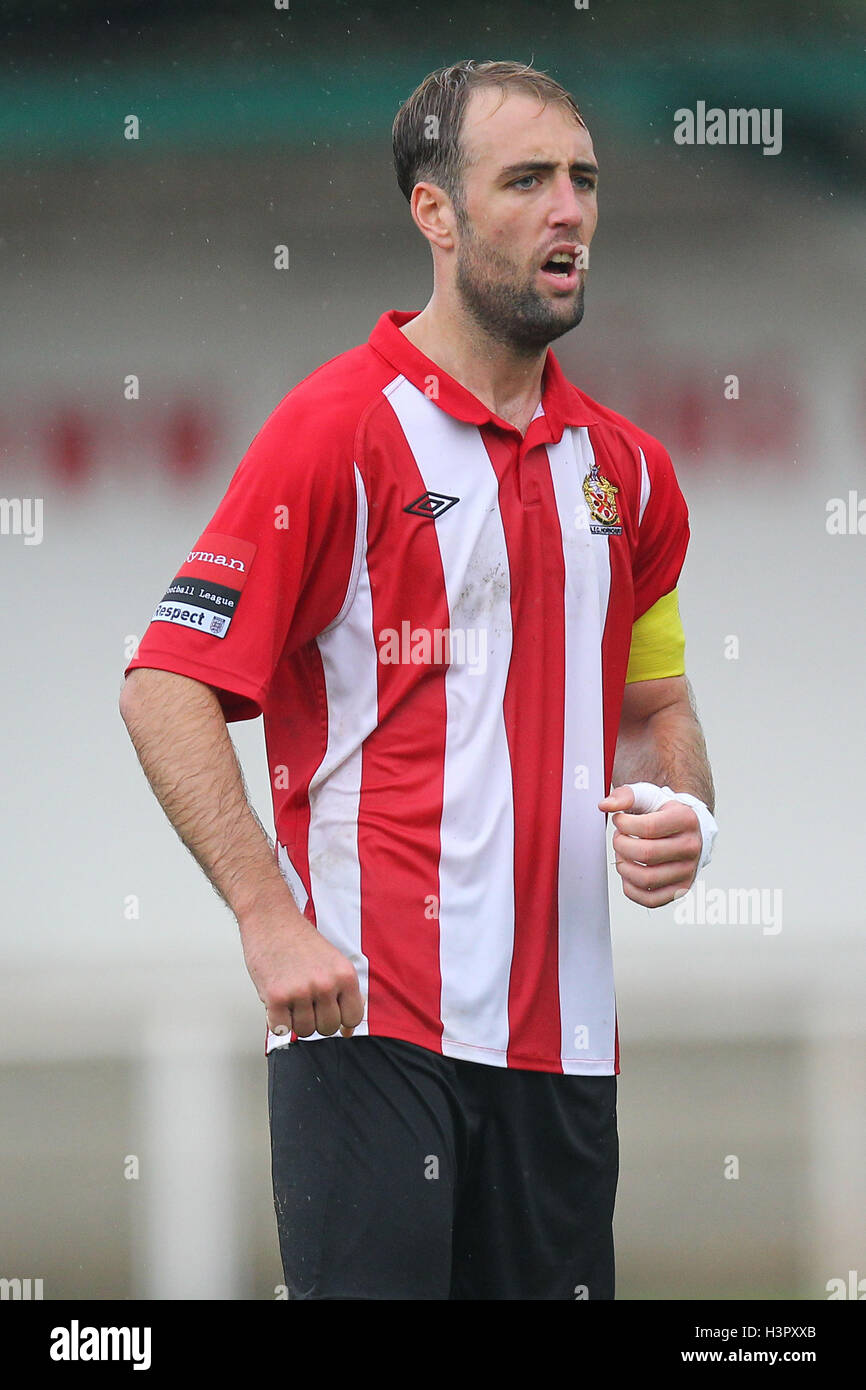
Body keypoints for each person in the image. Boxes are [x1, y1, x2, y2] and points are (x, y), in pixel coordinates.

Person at [119, 58, 717, 1301]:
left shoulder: (631, 476)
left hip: (566, 1055)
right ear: (433, 215)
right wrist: (267, 917)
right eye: (525, 181)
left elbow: (655, 711)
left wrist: (682, 808)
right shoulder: (335, 429)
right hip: (368, 1030)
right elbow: (165, 681)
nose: (569, 211)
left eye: (582, 180)